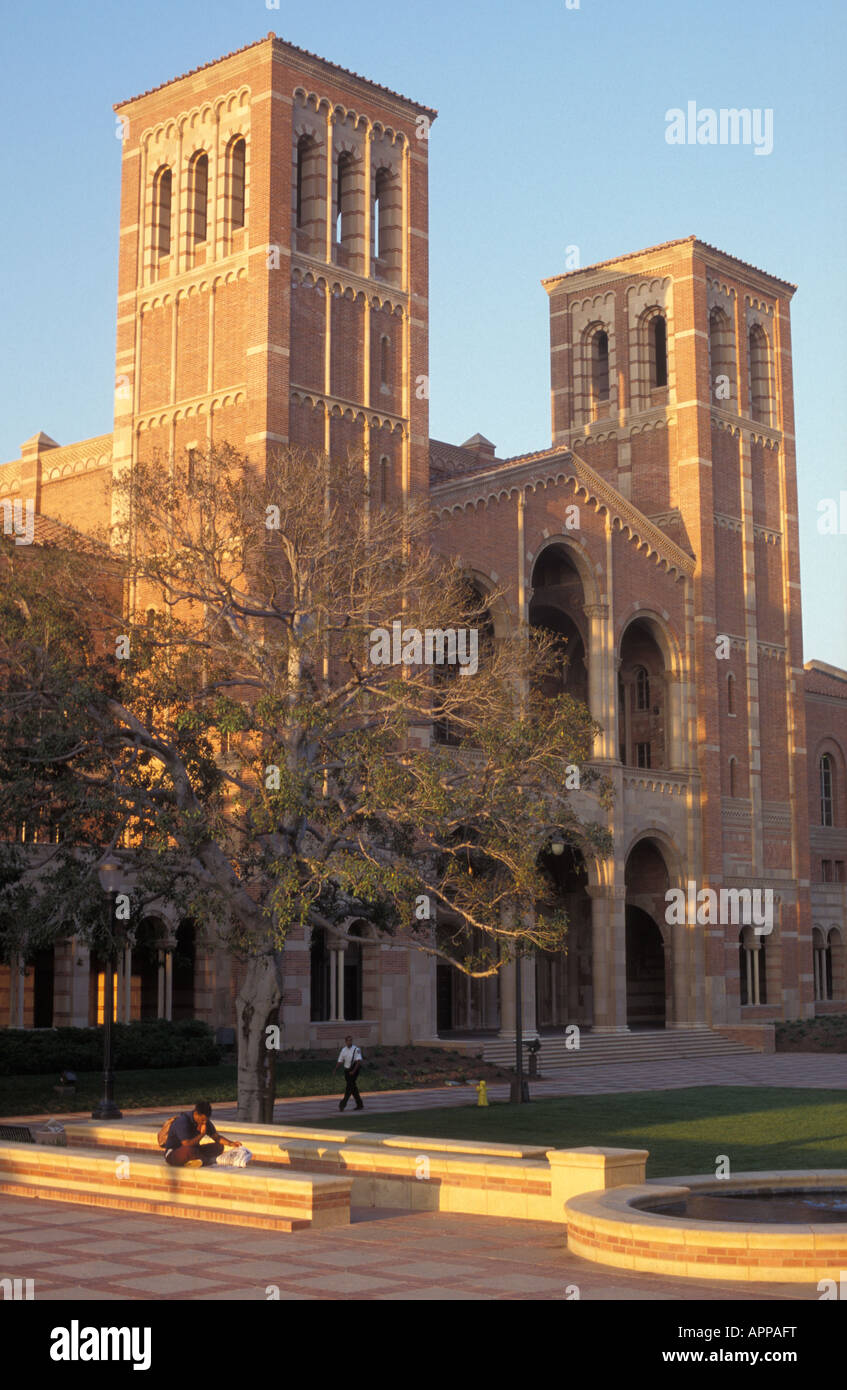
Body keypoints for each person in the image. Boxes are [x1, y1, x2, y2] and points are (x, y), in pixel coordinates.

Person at [163, 1100, 244, 1167]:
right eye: (202, 1120)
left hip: (195, 1150)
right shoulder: (183, 1122)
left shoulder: (205, 1122)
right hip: (174, 1153)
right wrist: (202, 1134)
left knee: (218, 1147)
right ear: (196, 1114)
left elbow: (216, 1137)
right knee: (189, 1150)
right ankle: (207, 1161)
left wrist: (231, 1143)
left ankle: (199, 1161)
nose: (204, 1122)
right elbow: (187, 1144)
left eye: (206, 1120)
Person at [333, 1035, 364, 1111]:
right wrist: (335, 1069)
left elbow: (358, 1061)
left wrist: (353, 1071)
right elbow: (340, 1061)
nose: (350, 1042)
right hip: (347, 1071)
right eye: (348, 1040)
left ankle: (342, 1105)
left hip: (354, 1070)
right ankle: (360, 1104)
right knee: (353, 1088)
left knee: (349, 1088)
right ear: (345, 1041)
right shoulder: (343, 1050)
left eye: (351, 1040)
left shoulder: (356, 1049)